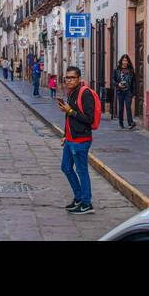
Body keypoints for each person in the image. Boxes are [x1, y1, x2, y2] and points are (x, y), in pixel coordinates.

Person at [57, 66, 98, 215]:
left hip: (81, 139)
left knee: (82, 171)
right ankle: (79, 198)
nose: (69, 80)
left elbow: (89, 119)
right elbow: (69, 117)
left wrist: (70, 111)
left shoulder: (85, 94)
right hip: (70, 138)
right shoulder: (71, 93)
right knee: (66, 167)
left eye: (72, 78)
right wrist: (65, 134)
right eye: (67, 78)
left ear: (79, 78)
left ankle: (87, 203)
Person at [112, 54, 137, 130]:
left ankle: (130, 123)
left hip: (128, 91)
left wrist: (134, 93)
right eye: (123, 60)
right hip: (120, 91)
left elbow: (133, 82)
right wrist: (118, 84)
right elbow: (113, 80)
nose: (125, 62)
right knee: (121, 108)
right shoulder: (117, 70)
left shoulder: (131, 70)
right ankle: (121, 123)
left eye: (126, 60)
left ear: (128, 61)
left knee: (128, 107)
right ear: (121, 61)